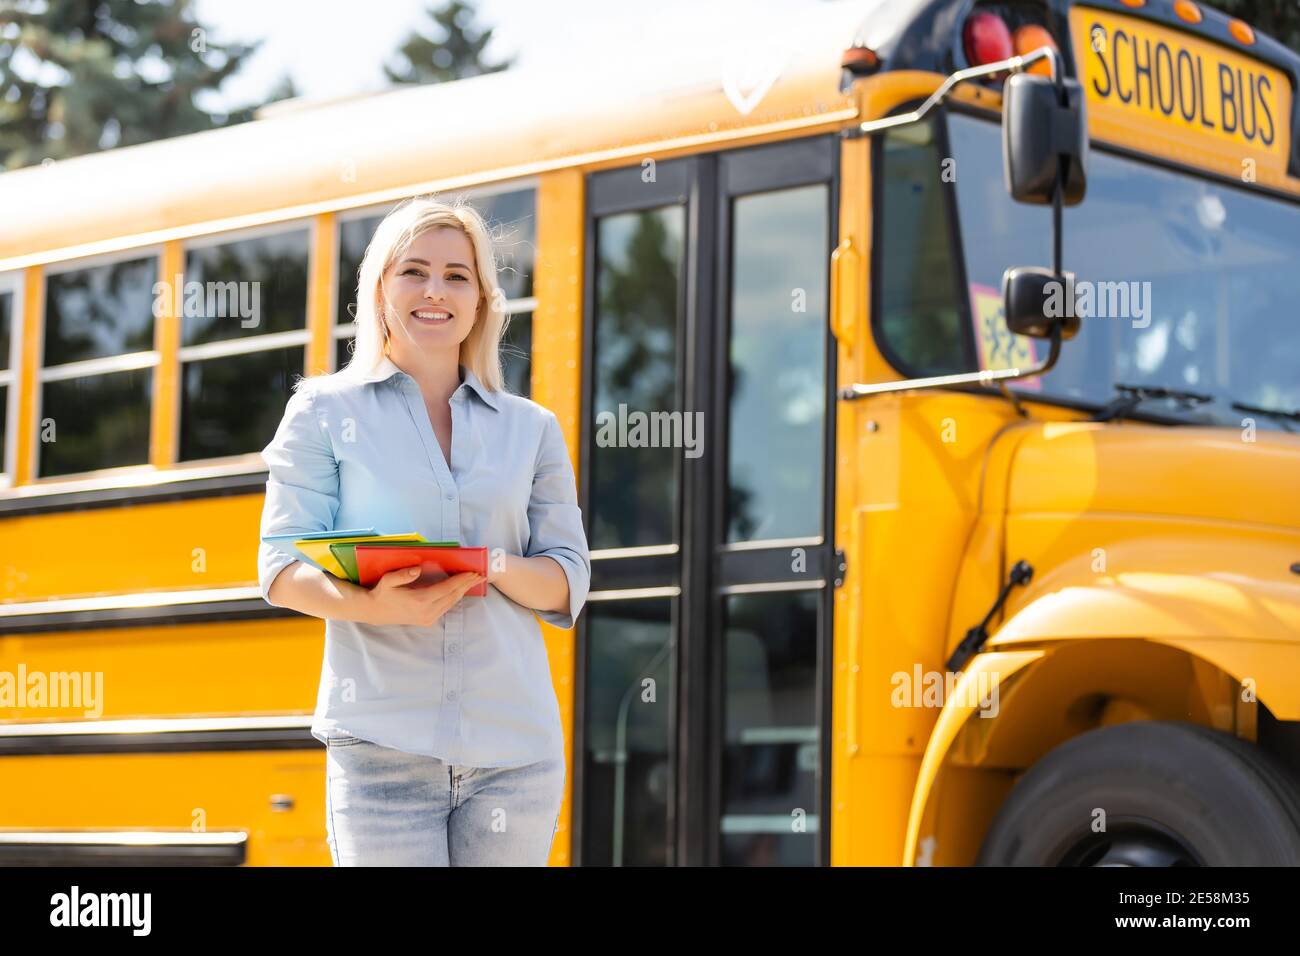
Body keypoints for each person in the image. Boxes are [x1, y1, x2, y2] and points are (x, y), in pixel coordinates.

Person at [256, 195, 590, 866]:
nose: (435, 290)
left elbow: (565, 582)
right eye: (414, 271)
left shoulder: (532, 429)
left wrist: (489, 563)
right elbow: (280, 567)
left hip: (515, 755)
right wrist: (372, 604)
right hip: (383, 749)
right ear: (380, 288)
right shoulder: (322, 410)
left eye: (457, 276)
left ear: (480, 301)